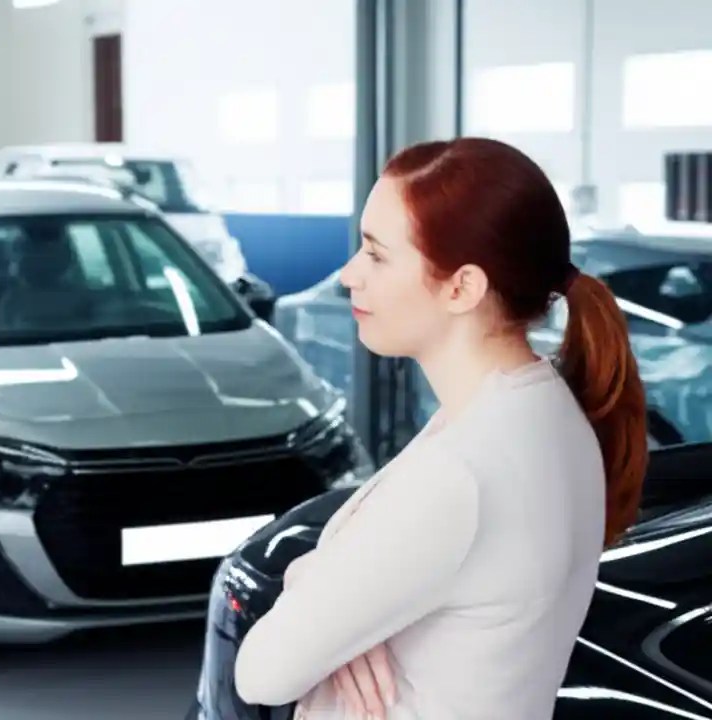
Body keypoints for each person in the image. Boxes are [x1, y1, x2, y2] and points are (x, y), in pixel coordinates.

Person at [232, 137, 648, 719]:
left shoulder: (459, 472)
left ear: (462, 288)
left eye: (377, 255)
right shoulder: (539, 409)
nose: (349, 274)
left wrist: (321, 608)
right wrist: (336, 619)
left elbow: (261, 673)